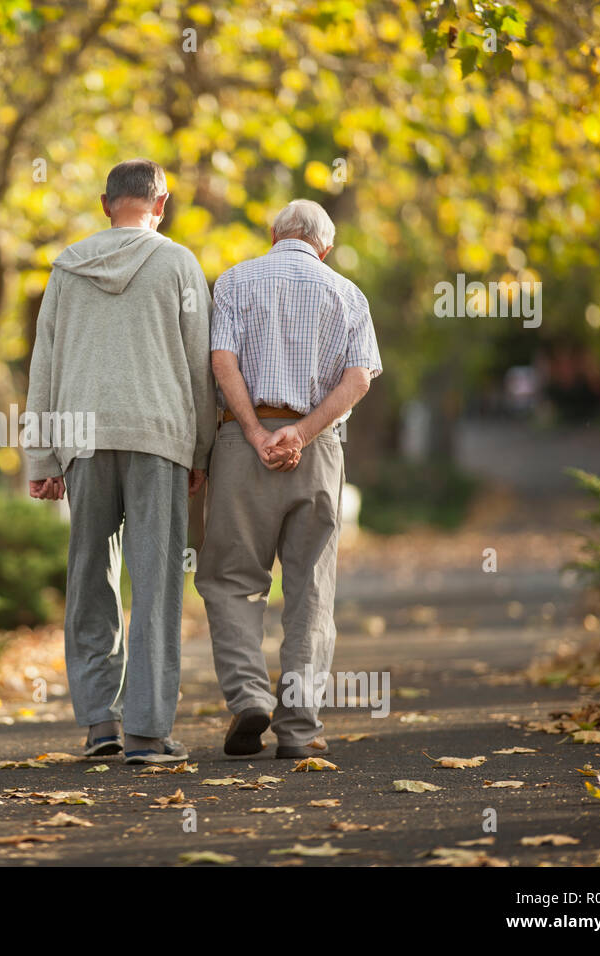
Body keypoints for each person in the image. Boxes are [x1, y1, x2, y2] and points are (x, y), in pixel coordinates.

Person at [23, 159, 214, 764]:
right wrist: (202, 448)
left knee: (89, 577)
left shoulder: (65, 268)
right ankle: (148, 732)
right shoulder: (179, 263)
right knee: (156, 582)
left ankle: (100, 721)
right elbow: (199, 366)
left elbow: (44, 367)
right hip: (158, 435)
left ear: (106, 204)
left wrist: (42, 455)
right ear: (162, 203)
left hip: (81, 438)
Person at [196, 199, 382, 759]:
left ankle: (249, 697)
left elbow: (221, 362)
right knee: (311, 591)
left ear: (274, 234)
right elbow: (358, 380)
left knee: (231, 579)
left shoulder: (233, 281)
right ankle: (299, 729)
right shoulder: (347, 292)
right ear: (324, 247)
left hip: (241, 449)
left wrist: (255, 433)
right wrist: (301, 433)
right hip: (318, 451)